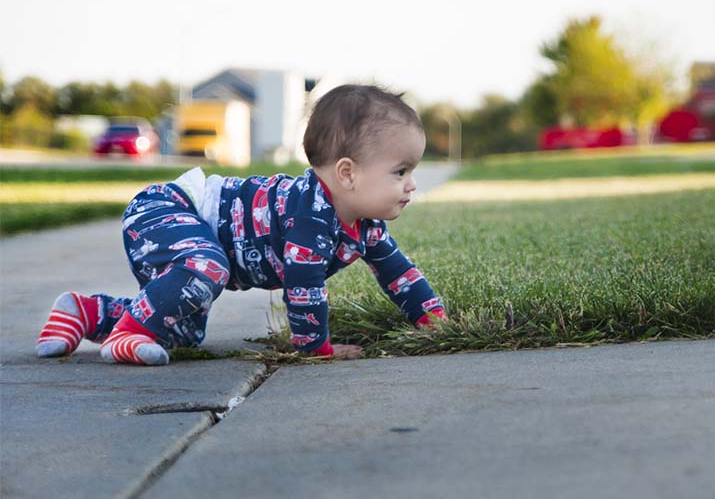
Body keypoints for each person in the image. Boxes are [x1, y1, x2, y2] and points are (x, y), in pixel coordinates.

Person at [34, 84, 446, 366]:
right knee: (206, 267)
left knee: (180, 333)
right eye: (400, 172)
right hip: (171, 209)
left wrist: (436, 322)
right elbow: (303, 289)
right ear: (347, 173)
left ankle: (87, 313)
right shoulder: (310, 216)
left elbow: (400, 274)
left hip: (193, 234)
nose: (411, 185)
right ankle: (125, 335)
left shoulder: (367, 225)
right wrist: (317, 349)